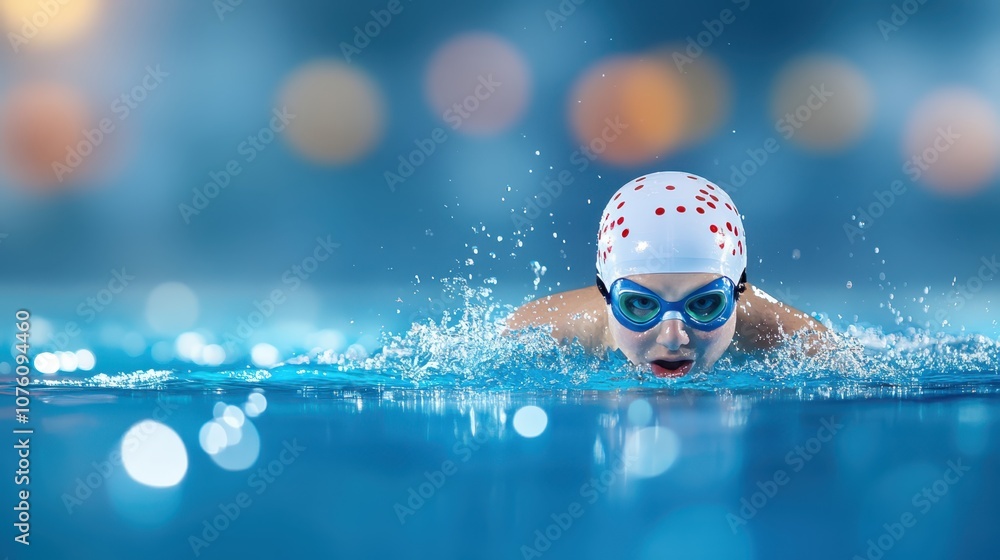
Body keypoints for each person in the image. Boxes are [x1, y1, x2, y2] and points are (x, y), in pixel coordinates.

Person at [505, 171, 830, 378]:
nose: (673, 337)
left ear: (739, 289)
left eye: (704, 304)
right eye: (641, 305)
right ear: (605, 291)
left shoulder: (807, 348)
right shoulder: (536, 335)